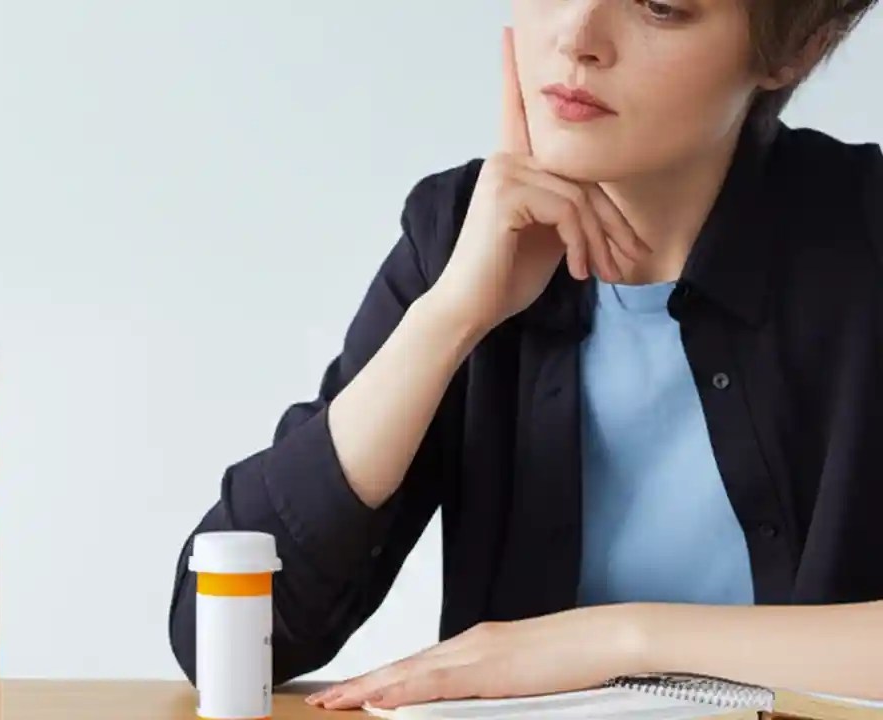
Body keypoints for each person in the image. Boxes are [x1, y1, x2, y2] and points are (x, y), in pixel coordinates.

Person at [168, 0, 883, 711]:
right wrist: (450, 317)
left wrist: (619, 641)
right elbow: (223, 639)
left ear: (797, 50)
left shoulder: (866, 230)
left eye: (661, 8)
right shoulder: (461, 233)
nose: (577, 38)